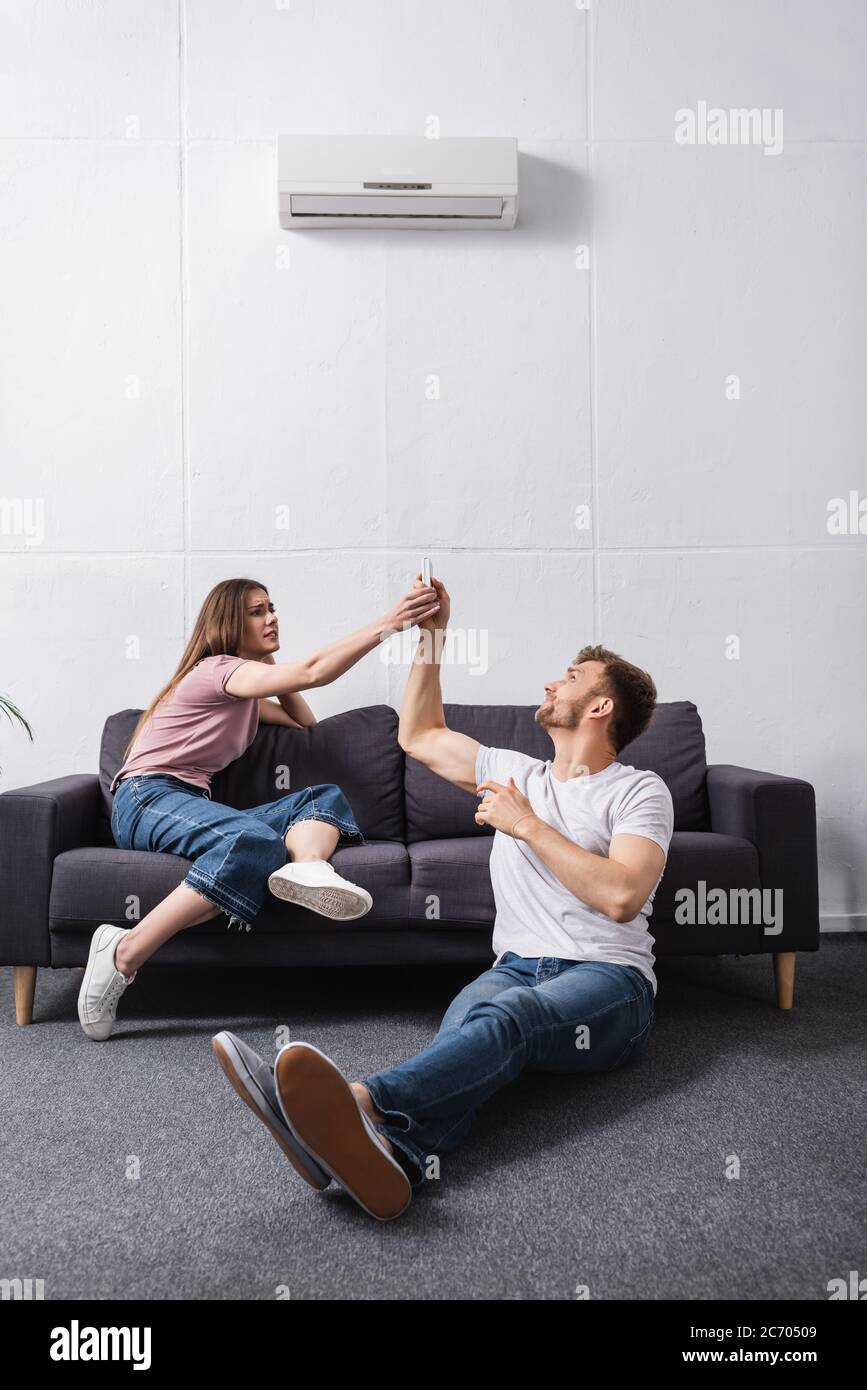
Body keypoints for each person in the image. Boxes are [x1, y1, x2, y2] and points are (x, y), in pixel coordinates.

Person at [214, 574, 675, 1221]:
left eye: (569, 677)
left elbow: (623, 895)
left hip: (609, 981)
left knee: (506, 1020)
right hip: (514, 965)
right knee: (468, 1035)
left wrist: (526, 826)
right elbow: (419, 735)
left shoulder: (637, 790)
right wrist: (433, 636)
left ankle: (356, 1103)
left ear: (600, 707)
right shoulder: (514, 771)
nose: (549, 683)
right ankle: (392, 1160)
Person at [78, 575, 440, 1041]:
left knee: (320, 797)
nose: (271, 617)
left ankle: (307, 868)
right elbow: (312, 671)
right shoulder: (216, 671)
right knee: (254, 841)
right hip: (147, 798)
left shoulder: (244, 692)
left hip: (187, 802)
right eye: (256, 612)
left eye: (272, 608)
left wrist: (269, 657)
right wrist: (390, 623)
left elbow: (302, 721)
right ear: (227, 624)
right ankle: (123, 951)